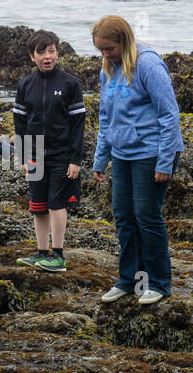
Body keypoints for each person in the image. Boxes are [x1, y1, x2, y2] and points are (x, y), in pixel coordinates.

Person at [90, 15, 184, 305]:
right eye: (101, 50)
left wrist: (165, 162)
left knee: (146, 215)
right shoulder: (109, 69)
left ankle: (158, 283)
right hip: (122, 153)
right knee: (124, 216)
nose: (106, 55)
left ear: (125, 40)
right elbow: (106, 117)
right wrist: (100, 158)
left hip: (152, 151)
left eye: (110, 49)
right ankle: (129, 280)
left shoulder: (148, 65)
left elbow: (169, 114)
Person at [12, 29, 88, 273]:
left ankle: (58, 255)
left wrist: (75, 160)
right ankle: (41, 252)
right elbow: (20, 124)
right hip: (35, 156)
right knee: (38, 205)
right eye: (41, 52)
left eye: (52, 51)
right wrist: (24, 156)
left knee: (57, 204)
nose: (47, 56)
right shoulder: (26, 84)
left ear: (58, 52)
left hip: (61, 155)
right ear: (32, 56)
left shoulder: (70, 83)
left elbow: (78, 126)